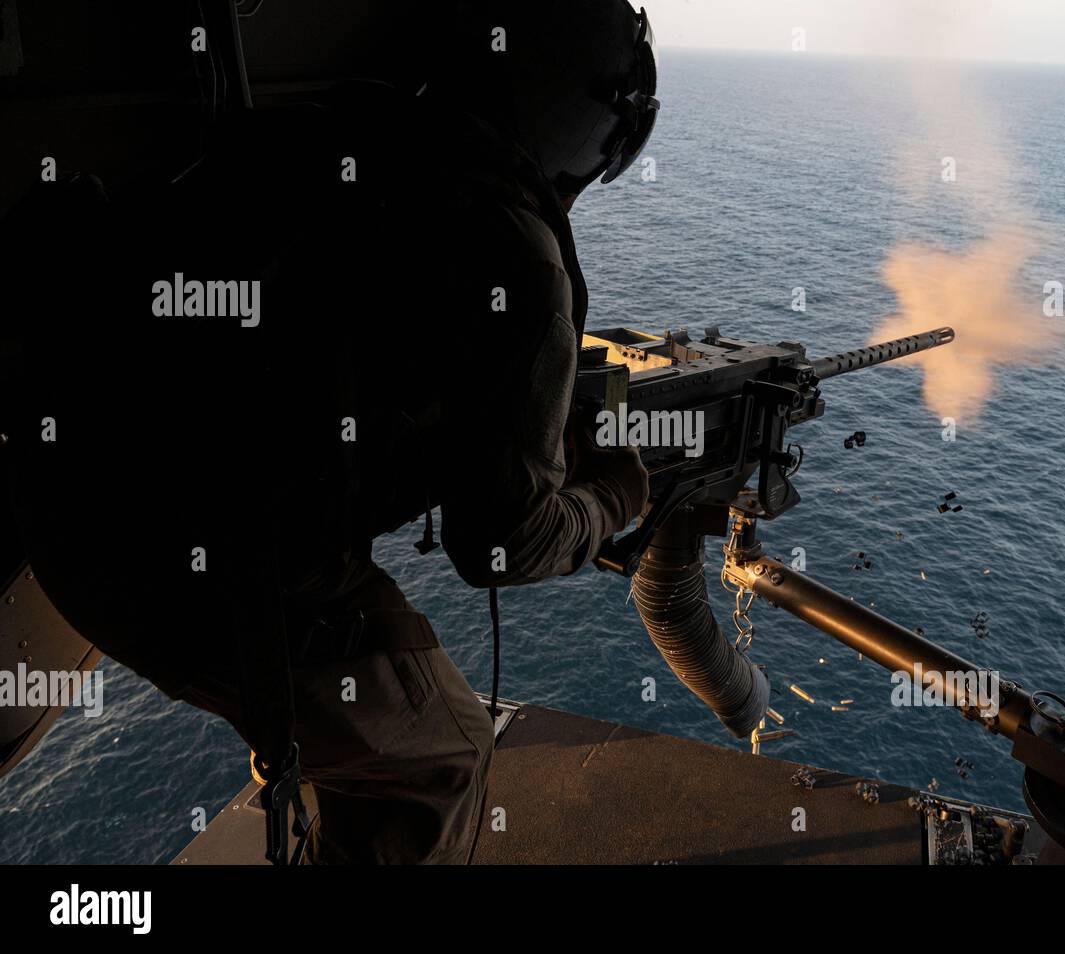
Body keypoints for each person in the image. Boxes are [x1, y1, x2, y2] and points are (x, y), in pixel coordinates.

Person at [0, 0, 656, 863]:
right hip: (194, 559)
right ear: (586, 140)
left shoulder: (329, 129)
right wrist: (616, 492)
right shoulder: (520, 268)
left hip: (64, 510)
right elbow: (504, 541)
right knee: (444, 755)